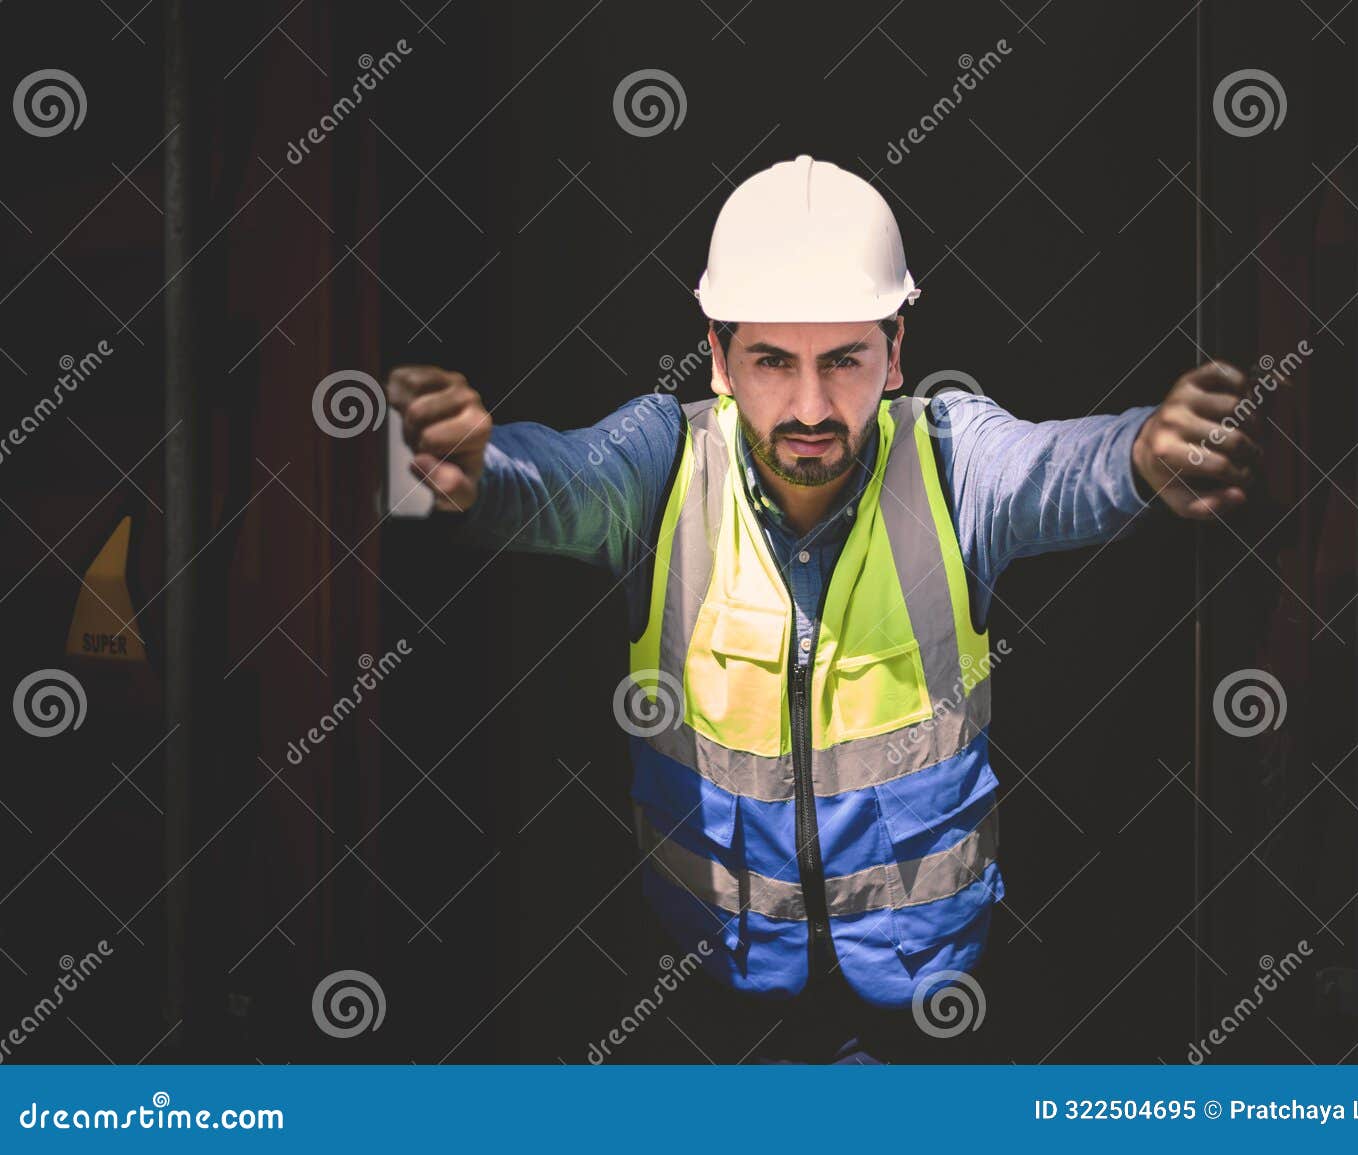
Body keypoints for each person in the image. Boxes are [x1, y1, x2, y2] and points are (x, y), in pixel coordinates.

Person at [385, 155, 1262, 1063]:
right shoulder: (661, 467)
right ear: (719, 359)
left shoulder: (955, 461)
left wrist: (1140, 455)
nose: (810, 406)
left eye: (844, 358)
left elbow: (1052, 468)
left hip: (922, 1024)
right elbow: (560, 479)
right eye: (772, 360)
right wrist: (480, 473)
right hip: (714, 1018)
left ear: (896, 352)